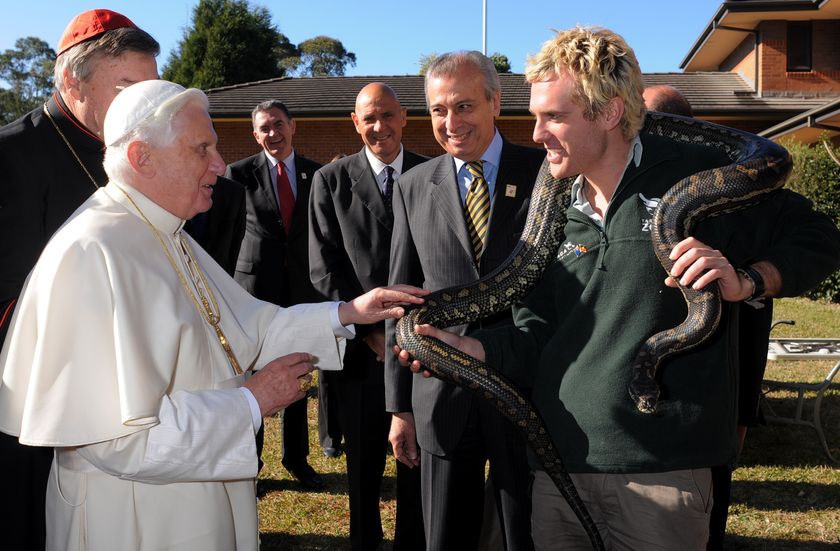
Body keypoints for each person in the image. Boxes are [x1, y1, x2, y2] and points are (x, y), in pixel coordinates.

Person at [396, 27, 840, 550]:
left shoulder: (702, 180)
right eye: (536, 116)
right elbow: (535, 333)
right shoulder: (550, 208)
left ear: (608, 113)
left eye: (554, 117)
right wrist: (470, 348)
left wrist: (748, 280)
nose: (536, 135)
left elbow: (822, 238)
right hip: (557, 469)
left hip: (662, 476)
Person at [0, 79, 426, 551]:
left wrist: (348, 312)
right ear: (142, 157)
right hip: (137, 521)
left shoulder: (168, 232)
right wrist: (251, 402)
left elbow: (249, 325)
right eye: (202, 149)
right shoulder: (92, 252)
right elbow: (110, 439)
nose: (221, 166)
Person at [0, 10, 159, 548]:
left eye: (150, 88)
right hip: (31, 403)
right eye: (127, 86)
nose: (142, 103)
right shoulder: (9, 155)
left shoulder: (134, 157)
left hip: (124, 388)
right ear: (72, 78)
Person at [385, 52, 544, 550]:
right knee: (445, 535)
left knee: (524, 532)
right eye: (437, 110)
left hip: (527, 389)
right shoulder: (413, 185)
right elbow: (400, 297)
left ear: (495, 102)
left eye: (464, 106)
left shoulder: (546, 173)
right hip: (440, 395)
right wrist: (400, 408)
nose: (450, 123)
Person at [643, 83, 775, 551]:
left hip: (718, 385)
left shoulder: (738, 181)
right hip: (662, 391)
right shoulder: (646, 181)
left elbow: (820, 240)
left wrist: (751, 279)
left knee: (709, 501)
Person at [309, 82, 427, 551]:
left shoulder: (431, 173)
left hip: (422, 348)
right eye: (368, 119)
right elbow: (323, 268)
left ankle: (413, 541)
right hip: (362, 355)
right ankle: (365, 540)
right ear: (356, 125)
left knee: (415, 459)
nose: (379, 127)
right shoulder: (330, 181)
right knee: (363, 464)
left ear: (404, 118)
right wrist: (371, 334)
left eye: (387, 115)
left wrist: (414, 334)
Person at [225, 100, 325, 490]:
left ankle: (297, 459)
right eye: (265, 128)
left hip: (302, 290)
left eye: (279, 125)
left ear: (293, 125)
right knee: (252, 376)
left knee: (298, 372)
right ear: (255, 134)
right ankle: (252, 462)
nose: (273, 134)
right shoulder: (238, 175)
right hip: (254, 292)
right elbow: (229, 234)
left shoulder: (318, 174)